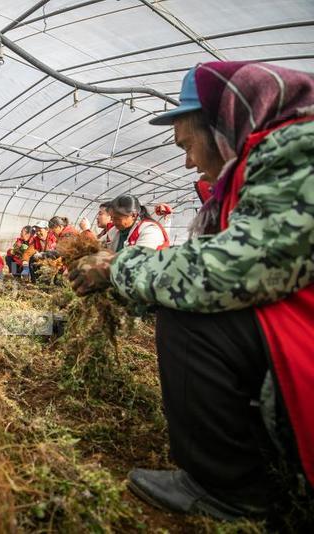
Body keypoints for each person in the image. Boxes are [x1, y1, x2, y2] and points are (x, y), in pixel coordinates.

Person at [69, 61, 314, 521]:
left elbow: (224, 273)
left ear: (221, 127)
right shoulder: (270, 164)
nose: (187, 162)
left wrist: (118, 269)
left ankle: (228, 489)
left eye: (186, 144)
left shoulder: (301, 153)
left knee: (192, 316)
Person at [105, 195, 170, 252]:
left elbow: (139, 257)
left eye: (117, 218)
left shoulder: (150, 230)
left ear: (133, 215)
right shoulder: (115, 230)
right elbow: (101, 244)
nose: (113, 222)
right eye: (112, 217)